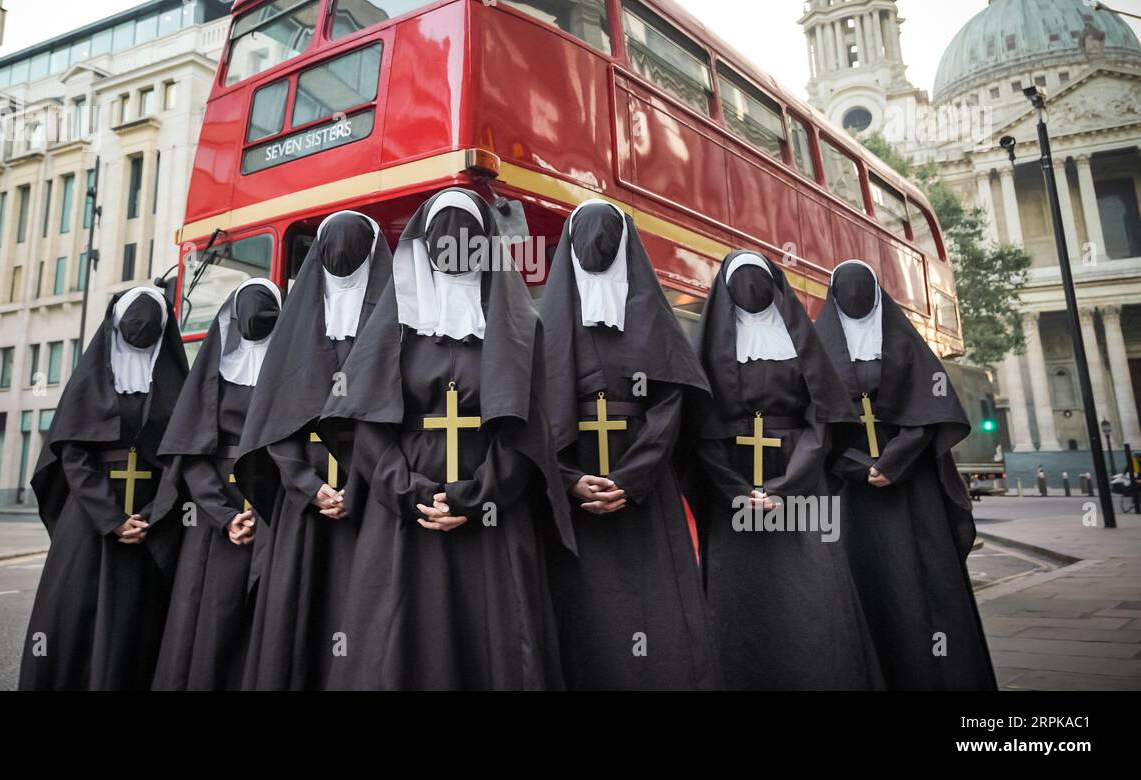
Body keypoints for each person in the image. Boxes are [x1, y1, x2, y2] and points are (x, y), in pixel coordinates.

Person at [320, 187, 576, 689]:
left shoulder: (523, 326)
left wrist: (478, 495)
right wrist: (407, 491)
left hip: (491, 512)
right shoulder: (393, 324)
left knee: (496, 641)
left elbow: (528, 425)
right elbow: (367, 423)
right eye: (442, 235)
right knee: (401, 644)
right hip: (403, 517)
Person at [682, 250, 882, 690]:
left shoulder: (800, 340)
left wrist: (786, 486)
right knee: (741, 600)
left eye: (760, 282)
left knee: (813, 593)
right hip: (732, 486)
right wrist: (736, 491)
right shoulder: (711, 347)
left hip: (801, 484)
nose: (752, 292)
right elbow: (699, 430)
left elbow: (821, 418)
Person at [539, 200, 714, 689]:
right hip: (575, 505)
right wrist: (570, 481)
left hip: (643, 497)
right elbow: (536, 413)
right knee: (585, 622)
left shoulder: (652, 320)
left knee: (659, 616)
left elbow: (669, 405)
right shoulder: (544, 328)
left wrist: (631, 479)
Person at [816, 259, 997, 690]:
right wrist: (858, 467)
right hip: (851, 494)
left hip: (910, 485)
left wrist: (893, 462)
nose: (856, 301)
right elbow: (816, 424)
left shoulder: (905, 344)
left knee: (918, 584)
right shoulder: (819, 349)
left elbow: (929, 412)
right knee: (864, 586)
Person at [234, 211, 391, 690]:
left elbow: (399, 421)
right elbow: (274, 426)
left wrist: (359, 485)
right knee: (301, 617)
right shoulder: (297, 331)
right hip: (305, 507)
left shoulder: (394, 324)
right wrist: (309, 485)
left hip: (373, 504)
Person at [18, 287, 189, 690]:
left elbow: (183, 457)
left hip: (154, 524)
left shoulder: (176, 387)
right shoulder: (90, 383)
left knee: (142, 621)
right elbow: (73, 458)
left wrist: (155, 513)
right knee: (78, 614)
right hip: (92, 522)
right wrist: (111, 518)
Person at [150, 278, 281, 690]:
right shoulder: (213, 377)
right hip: (213, 521)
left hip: (273, 512)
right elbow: (191, 453)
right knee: (206, 624)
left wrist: (264, 508)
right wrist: (225, 515)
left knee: (262, 619)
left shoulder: (288, 374)